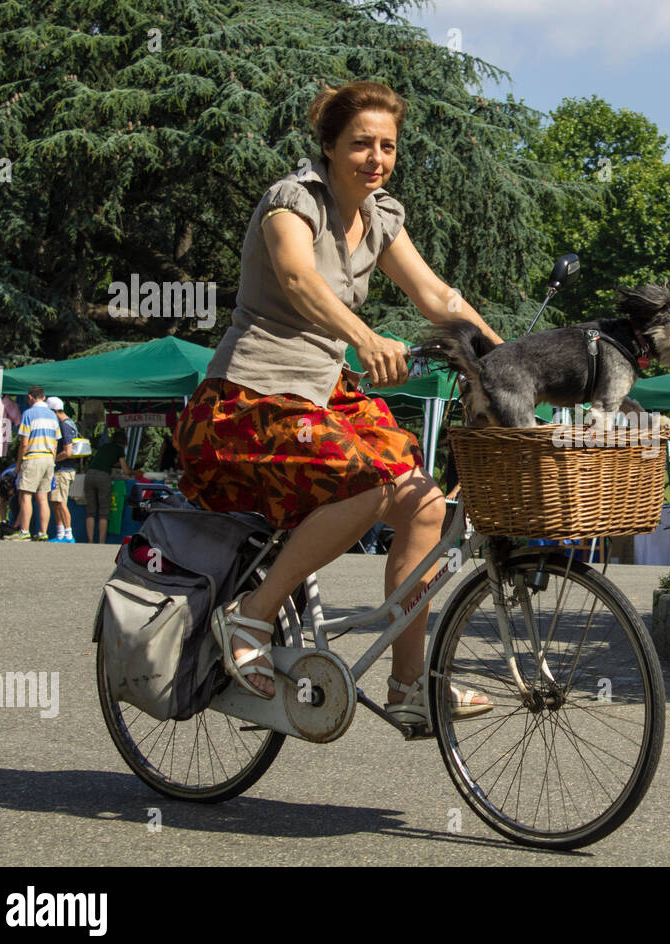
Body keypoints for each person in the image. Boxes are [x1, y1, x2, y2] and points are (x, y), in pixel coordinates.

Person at [174, 80, 504, 725]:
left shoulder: (382, 217)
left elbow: (439, 300)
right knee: (365, 486)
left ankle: (411, 686)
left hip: (323, 395)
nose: (375, 158)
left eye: (387, 145)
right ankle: (251, 617)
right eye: (360, 144)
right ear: (328, 146)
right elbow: (296, 277)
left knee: (424, 504)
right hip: (253, 395)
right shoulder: (292, 201)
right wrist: (363, 335)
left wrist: (516, 365)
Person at [6, 386, 59, 541]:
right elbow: (56, 442)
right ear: (43, 397)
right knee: (43, 497)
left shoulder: (28, 414)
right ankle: (43, 533)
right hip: (49, 458)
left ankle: (24, 531)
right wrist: (53, 461)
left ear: (30, 397)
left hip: (33, 457)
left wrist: (18, 465)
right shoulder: (52, 415)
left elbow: (24, 442)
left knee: (25, 495)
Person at [83, 431, 134, 544]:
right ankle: (101, 542)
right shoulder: (119, 449)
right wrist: (131, 470)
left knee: (90, 511)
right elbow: (125, 470)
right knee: (104, 512)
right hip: (103, 477)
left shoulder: (105, 446)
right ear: (124, 441)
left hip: (90, 475)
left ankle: (90, 541)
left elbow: (105, 460)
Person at [46, 397, 78, 542]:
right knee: (54, 501)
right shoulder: (70, 422)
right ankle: (60, 533)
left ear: (54, 411)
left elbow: (67, 451)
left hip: (63, 469)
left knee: (60, 502)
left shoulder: (64, 425)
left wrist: (51, 459)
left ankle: (68, 534)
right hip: (64, 469)